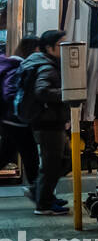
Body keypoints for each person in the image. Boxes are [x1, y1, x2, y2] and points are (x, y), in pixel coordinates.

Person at [16, 31, 69, 216]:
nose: (65, 47)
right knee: (52, 164)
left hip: (49, 121)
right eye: (61, 43)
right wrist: (67, 93)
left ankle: (41, 193)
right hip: (47, 123)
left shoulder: (46, 63)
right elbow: (42, 91)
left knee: (61, 161)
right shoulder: (47, 67)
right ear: (49, 47)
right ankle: (44, 204)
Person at [0, 37, 40, 200]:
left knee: (7, 155)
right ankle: (39, 196)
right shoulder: (18, 65)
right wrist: (21, 106)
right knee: (30, 156)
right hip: (16, 120)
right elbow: (9, 93)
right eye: (38, 49)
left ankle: (39, 194)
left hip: (12, 120)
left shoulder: (16, 64)